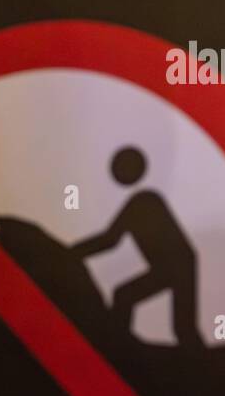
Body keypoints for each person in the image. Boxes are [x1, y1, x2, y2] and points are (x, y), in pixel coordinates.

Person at [71, 146, 204, 350]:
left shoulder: (144, 201)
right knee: (181, 327)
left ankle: (119, 349)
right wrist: (74, 252)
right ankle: (120, 347)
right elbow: (111, 239)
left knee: (181, 327)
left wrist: (72, 252)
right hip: (175, 265)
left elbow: (110, 240)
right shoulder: (141, 201)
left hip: (178, 265)